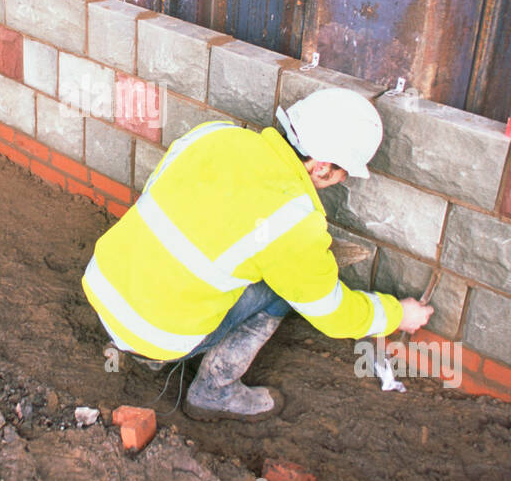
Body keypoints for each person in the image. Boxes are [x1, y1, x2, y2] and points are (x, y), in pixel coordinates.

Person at [82, 88, 433, 422]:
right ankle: (213, 392)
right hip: (159, 335)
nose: (341, 180)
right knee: (281, 291)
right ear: (322, 167)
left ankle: (147, 356)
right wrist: (397, 314)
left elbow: (168, 198)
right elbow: (333, 314)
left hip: (105, 290)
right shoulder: (294, 221)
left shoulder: (215, 135)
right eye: (343, 173)